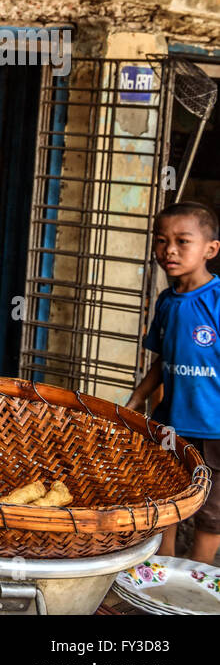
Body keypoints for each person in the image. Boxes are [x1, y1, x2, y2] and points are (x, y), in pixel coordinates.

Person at [127, 200, 220, 563]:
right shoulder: (167, 302)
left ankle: (195, 580)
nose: (170, 250)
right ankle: (159, 570)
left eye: (183, 241)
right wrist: (136, 401)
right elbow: (162, 361)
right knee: (168, 496)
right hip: (171, 425)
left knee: (211, 513)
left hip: (214, 429)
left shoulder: (216, 300)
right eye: (162, 240)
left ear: (210, 249)